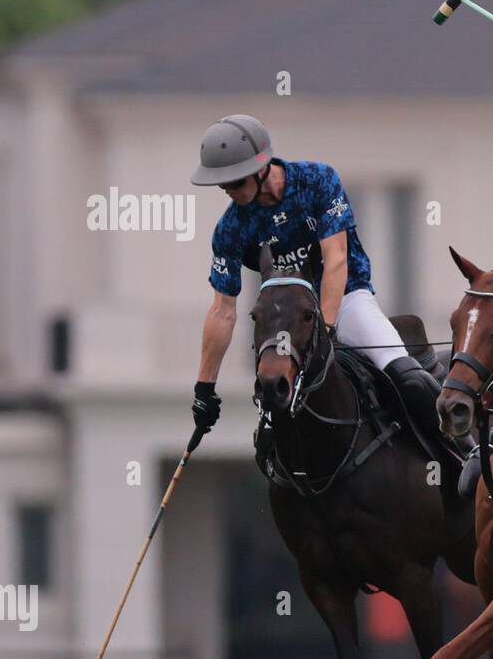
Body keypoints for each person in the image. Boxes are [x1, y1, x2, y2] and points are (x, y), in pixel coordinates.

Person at [187, 114, 459, 461]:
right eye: (222, 184)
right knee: (270, 423)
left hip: (345, 301)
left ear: (261, 167)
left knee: (405, 376)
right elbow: (222, 310)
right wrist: (204, 387)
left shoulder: (317, 180)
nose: (228, 191)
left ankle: (469, 455)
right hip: (283, 322)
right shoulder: (230, 228)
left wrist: (324, 328)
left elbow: (336, 262)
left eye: (234, 182)